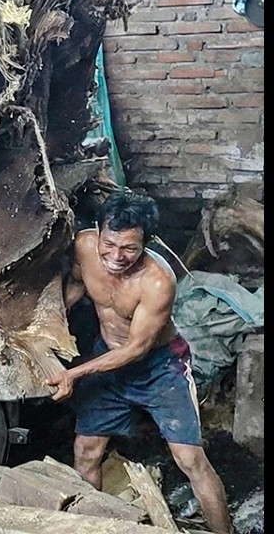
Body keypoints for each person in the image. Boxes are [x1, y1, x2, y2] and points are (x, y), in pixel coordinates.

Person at [47, 190, 232, 534]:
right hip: (107, 358)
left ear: (146, 243)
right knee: (86, 450)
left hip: (159, 368)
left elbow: (136, 349)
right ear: (99, 231)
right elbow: (75, 284)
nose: (116, 257)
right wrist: (44, 323)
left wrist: (74, 372)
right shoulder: (85, 247)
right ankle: (88, 527)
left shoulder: (158, 281)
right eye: (110, 244)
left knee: (190, 459)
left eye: (129, 248)